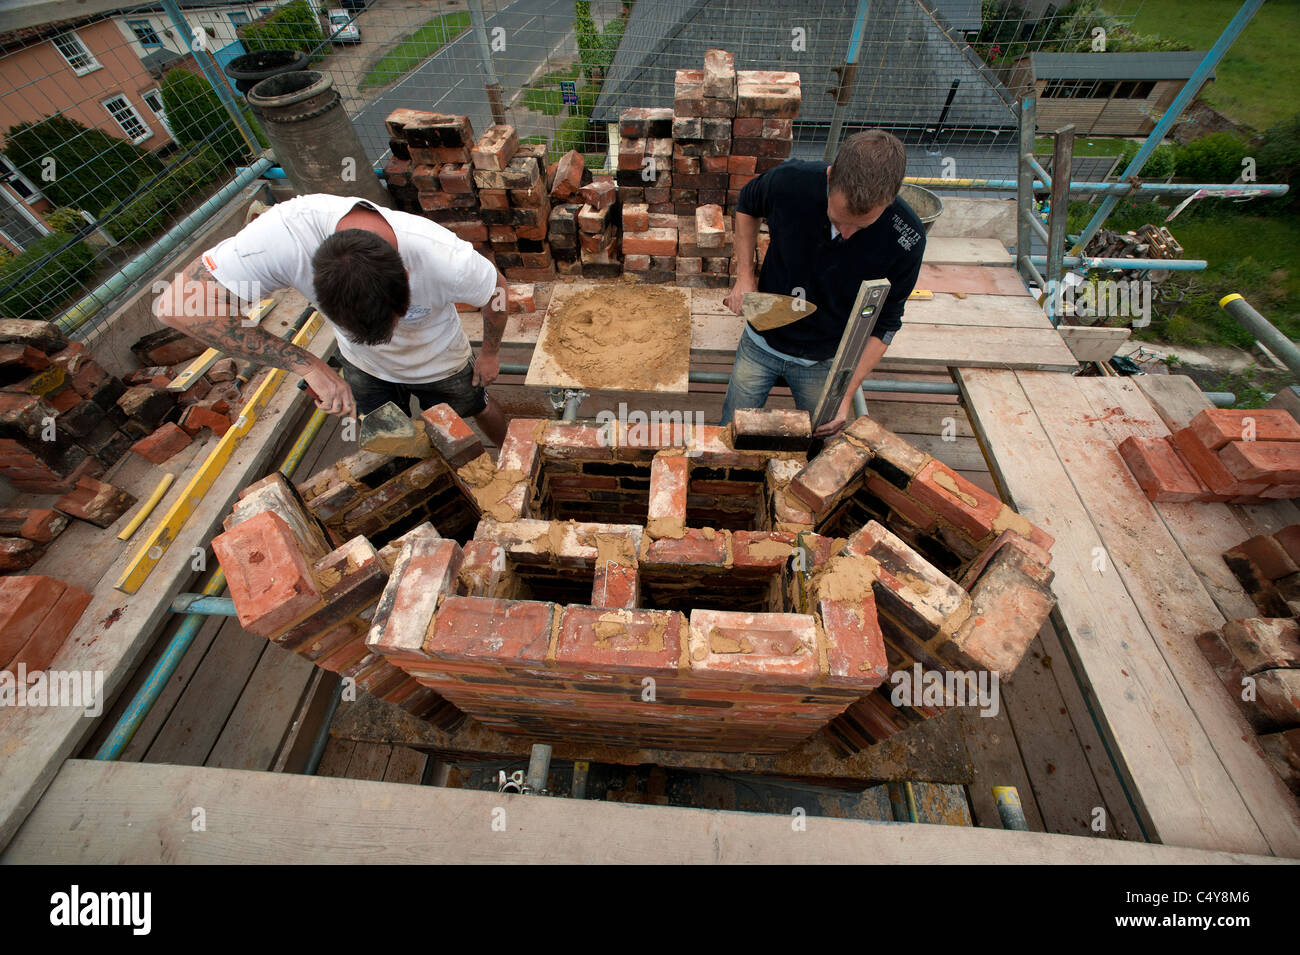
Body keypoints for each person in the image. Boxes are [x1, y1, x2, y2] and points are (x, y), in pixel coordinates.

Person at [155, 193, 510, 445]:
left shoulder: (446, 258)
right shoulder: (283, 238)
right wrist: (306, 364)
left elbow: (498, 293)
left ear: (405, 274)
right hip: (364, 366)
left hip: (440, 360)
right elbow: (175, 307)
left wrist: (490, 353)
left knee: (474, 406)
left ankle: (511, 458)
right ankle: (415, 469)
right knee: (386, 431)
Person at [721, 130, 925, 437]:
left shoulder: (906, 238)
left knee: (822, 443)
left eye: (862, 226)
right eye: (838, 218)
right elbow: (748, 205)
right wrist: (745, 278)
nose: (845, 234)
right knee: (731, 431)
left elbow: (886, 324)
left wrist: (843, 395)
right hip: (761, 341)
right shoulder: (791, 182)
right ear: (830, 178)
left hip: (827, 358)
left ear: (890, 199)